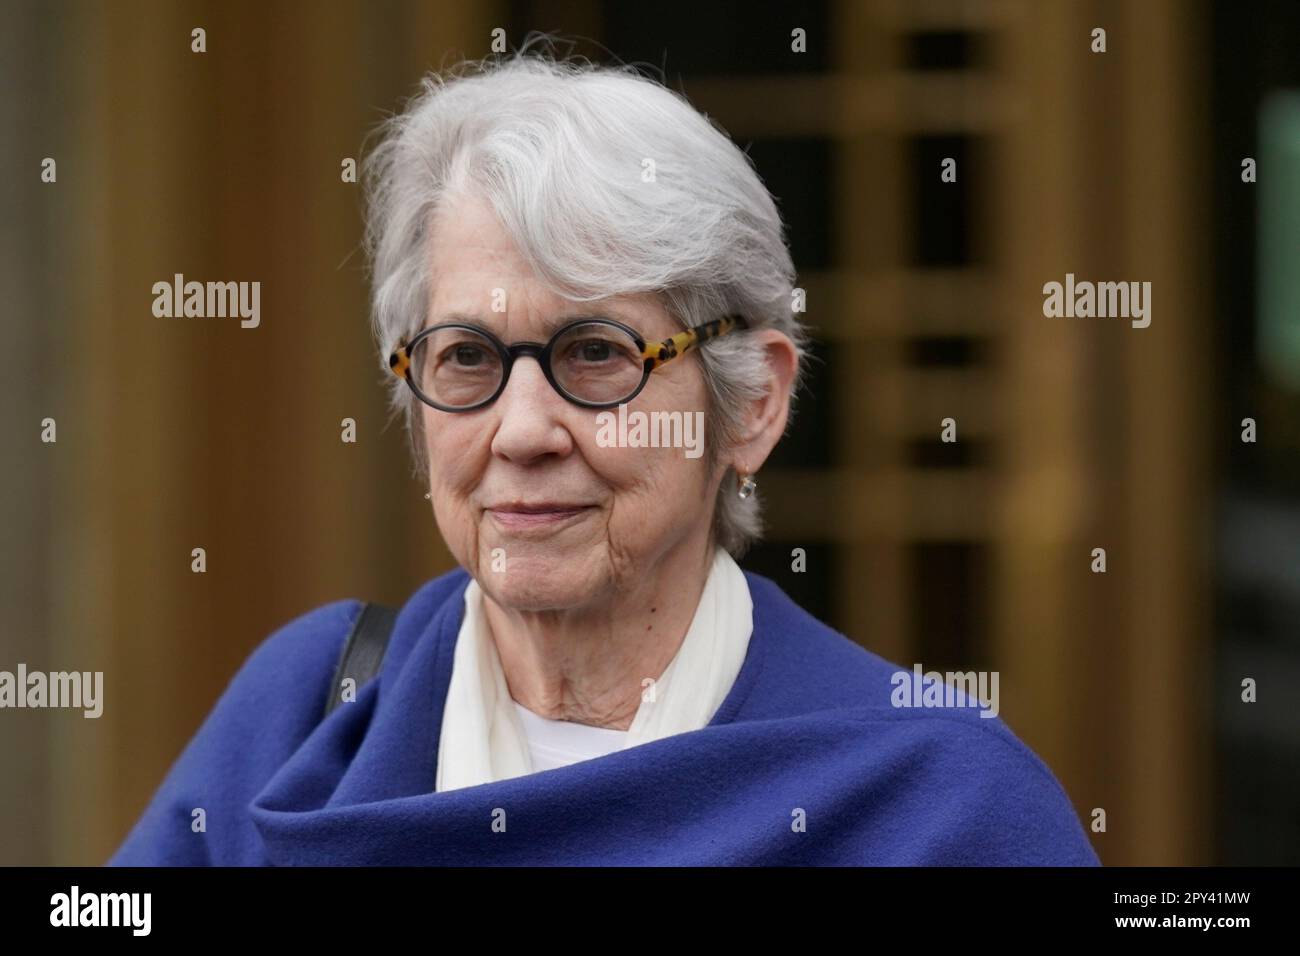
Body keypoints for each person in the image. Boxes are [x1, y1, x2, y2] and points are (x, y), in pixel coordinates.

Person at [108, 46, 1099, 866]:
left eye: (595, 353)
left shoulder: (940, 807)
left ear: (751, 403)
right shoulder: (312, 707)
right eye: (465, 357)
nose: (524, 428)